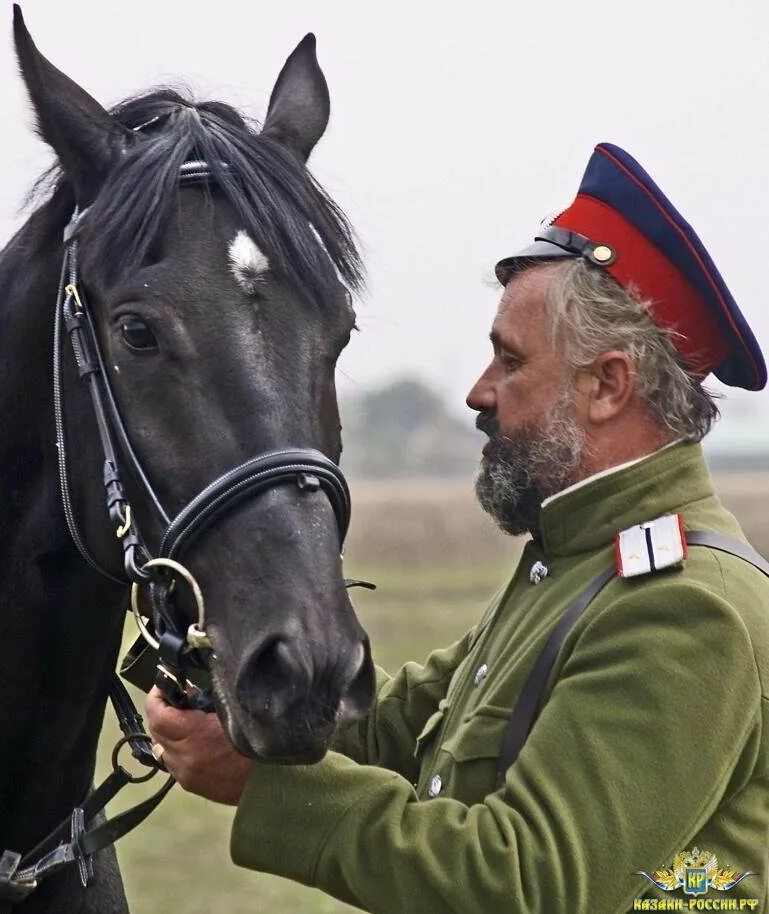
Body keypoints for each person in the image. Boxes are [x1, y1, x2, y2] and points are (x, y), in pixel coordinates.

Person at [146, 143, 769, 913]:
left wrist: (267, 789)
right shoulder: (576, 563)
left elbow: (526, 883)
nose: (477, 393)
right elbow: (391, 730)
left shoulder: (682, 608)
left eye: (508, 361)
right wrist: (223, 690)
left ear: (607, 385)